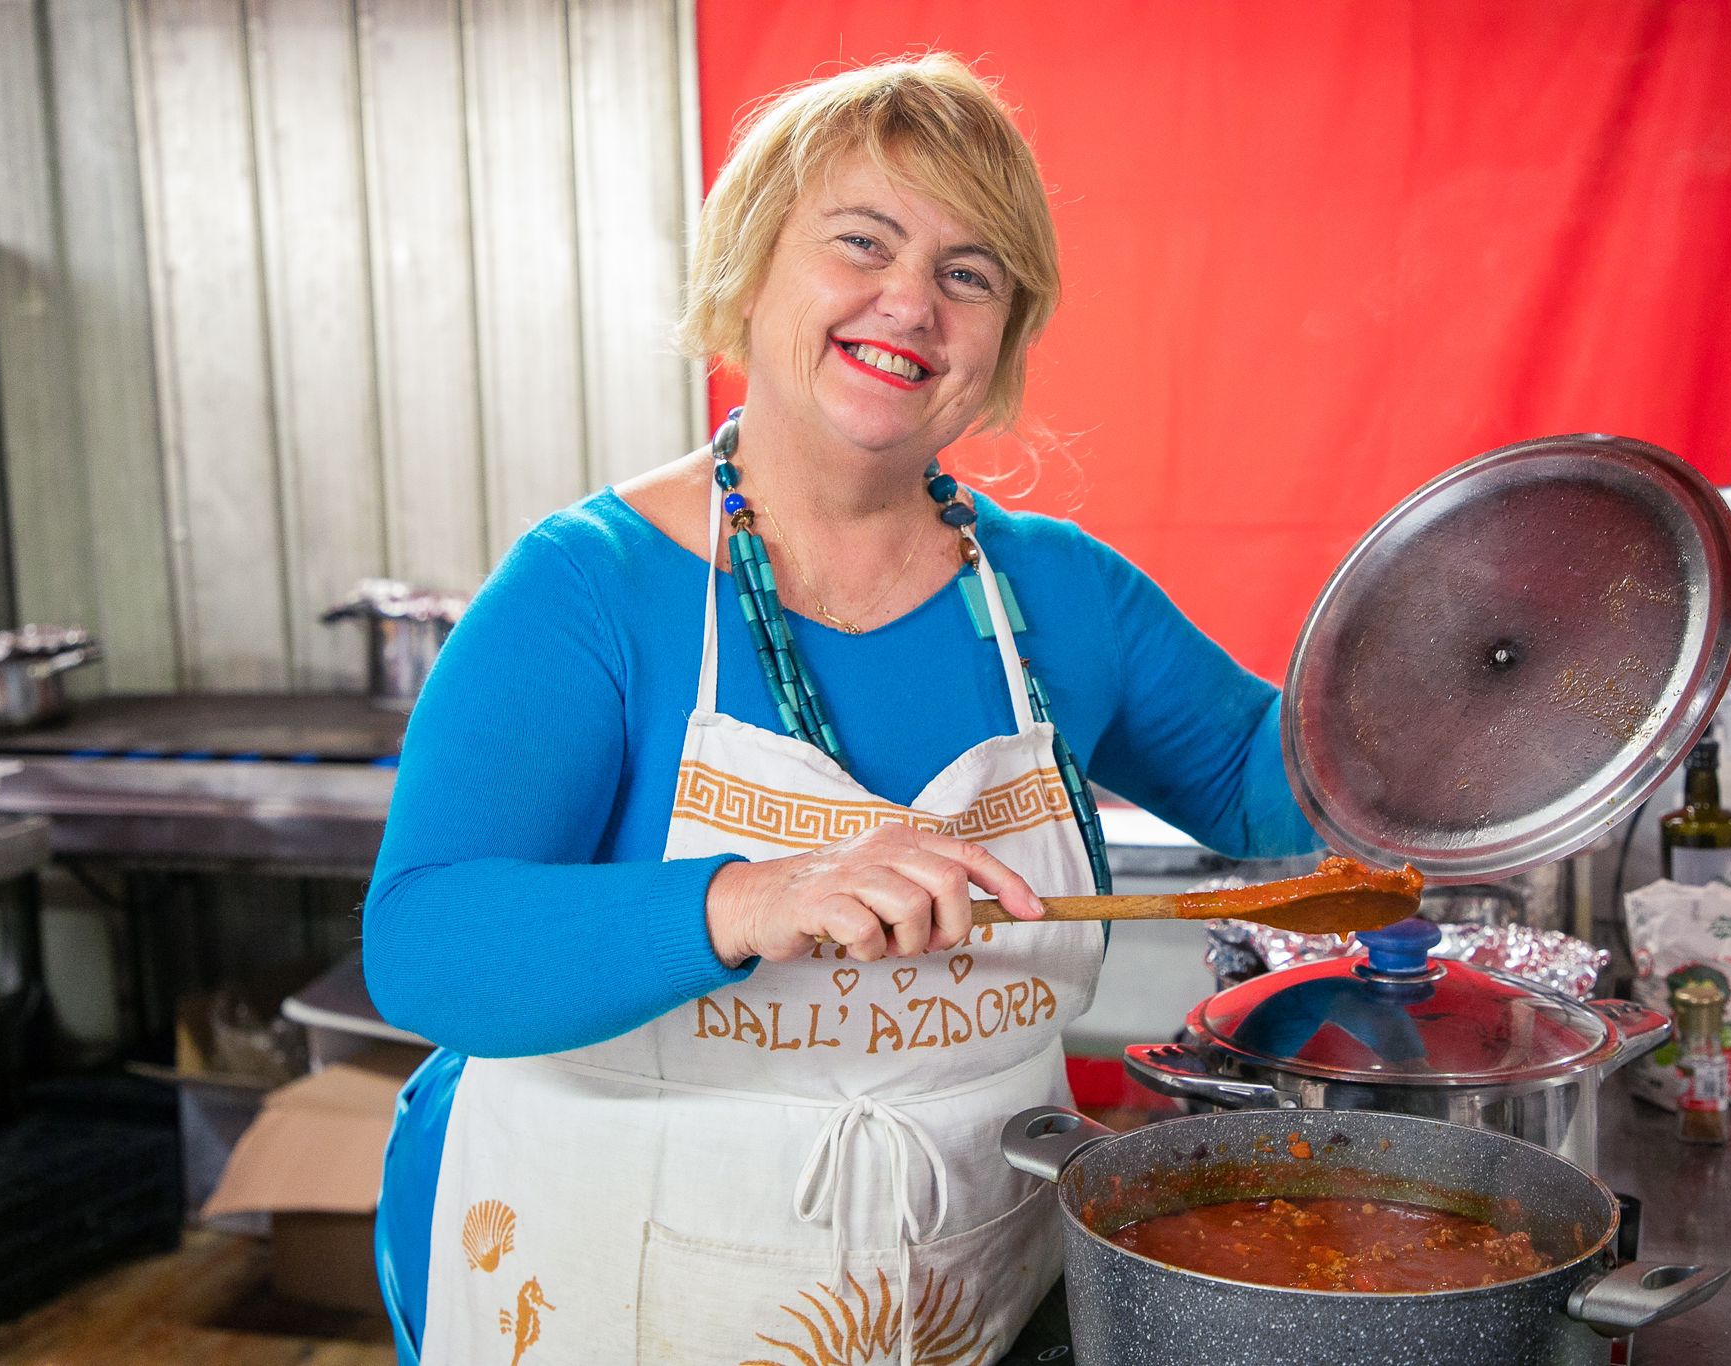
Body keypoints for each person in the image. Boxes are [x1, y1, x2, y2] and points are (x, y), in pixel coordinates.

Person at [365, 52, 1317, 1366]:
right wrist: (750, 897)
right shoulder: (593, 587)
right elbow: (425, 941)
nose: (911, 302)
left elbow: (1275, 786)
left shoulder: (1061, 598)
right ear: (751, 273)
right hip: (603, 1284)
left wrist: (1450, 658)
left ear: (1003, 338)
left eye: (968, 273)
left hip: (953, 1304)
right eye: (860, 242)